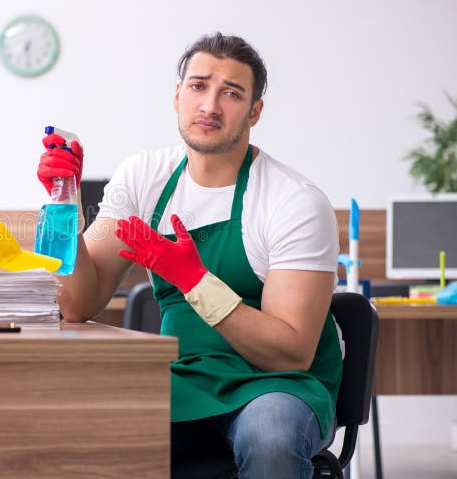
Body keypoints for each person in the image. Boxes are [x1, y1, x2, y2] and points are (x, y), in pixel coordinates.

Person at [36, 32, 343, 478]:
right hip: (181, 377)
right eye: (198, 86)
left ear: (255, 111)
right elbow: (77, 303)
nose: (210, 106)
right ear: (178, 95)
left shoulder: (293, 200)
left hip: (276, 387)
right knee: (87, 426)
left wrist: (198, 284)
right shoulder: (144, 178)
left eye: (232, 93)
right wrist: (62, 204)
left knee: (270, 435)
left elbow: (289, 353)